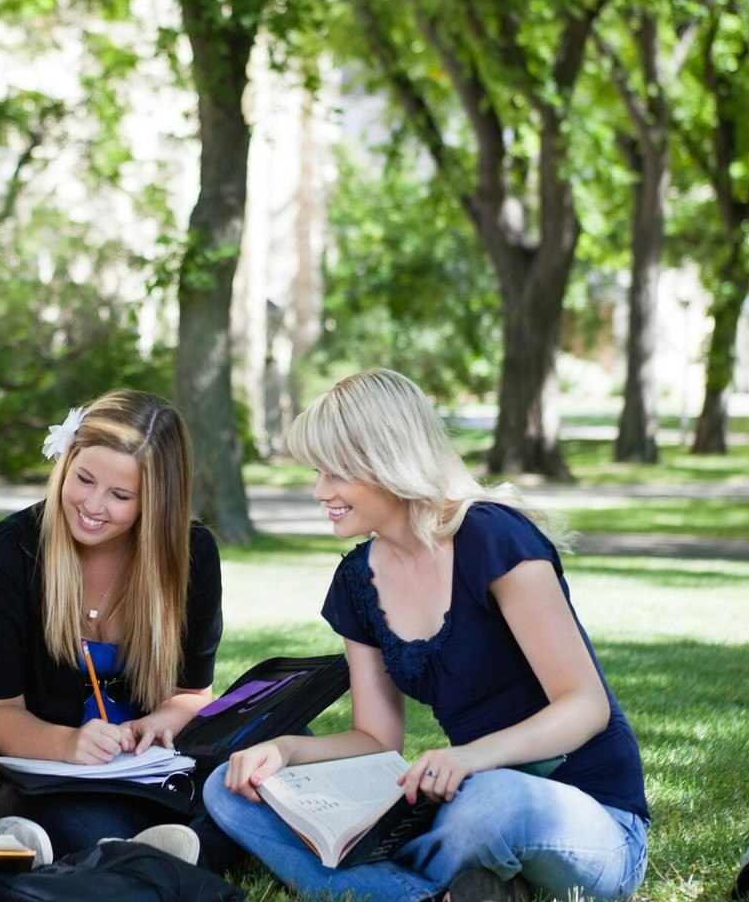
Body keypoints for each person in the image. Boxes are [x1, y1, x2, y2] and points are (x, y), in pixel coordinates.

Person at [204, 370, 649, 902]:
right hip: (462, 804)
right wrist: (281, 750)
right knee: (228, 791)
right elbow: (376, 740)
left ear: (386, 462)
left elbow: (584, 706)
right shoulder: (356, 581)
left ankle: (400, 885)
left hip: (586, 816)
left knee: (490, 804)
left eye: (334, 472)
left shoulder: (493, 537)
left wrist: (471, 758)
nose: (319, 491)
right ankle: (449, 893)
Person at [0, 391, 229, 866]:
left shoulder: (193, 556)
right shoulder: (9, 553)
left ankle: (146, 850)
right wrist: (68, 744)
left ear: (156, 502)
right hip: (51, 771)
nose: (92, 504)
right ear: (65, 462)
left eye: (120, 496)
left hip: (147, 769)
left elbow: (192, 694)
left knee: (276, 751)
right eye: (83, 479)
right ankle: (155, 850)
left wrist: (156, 725)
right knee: (85, 821)